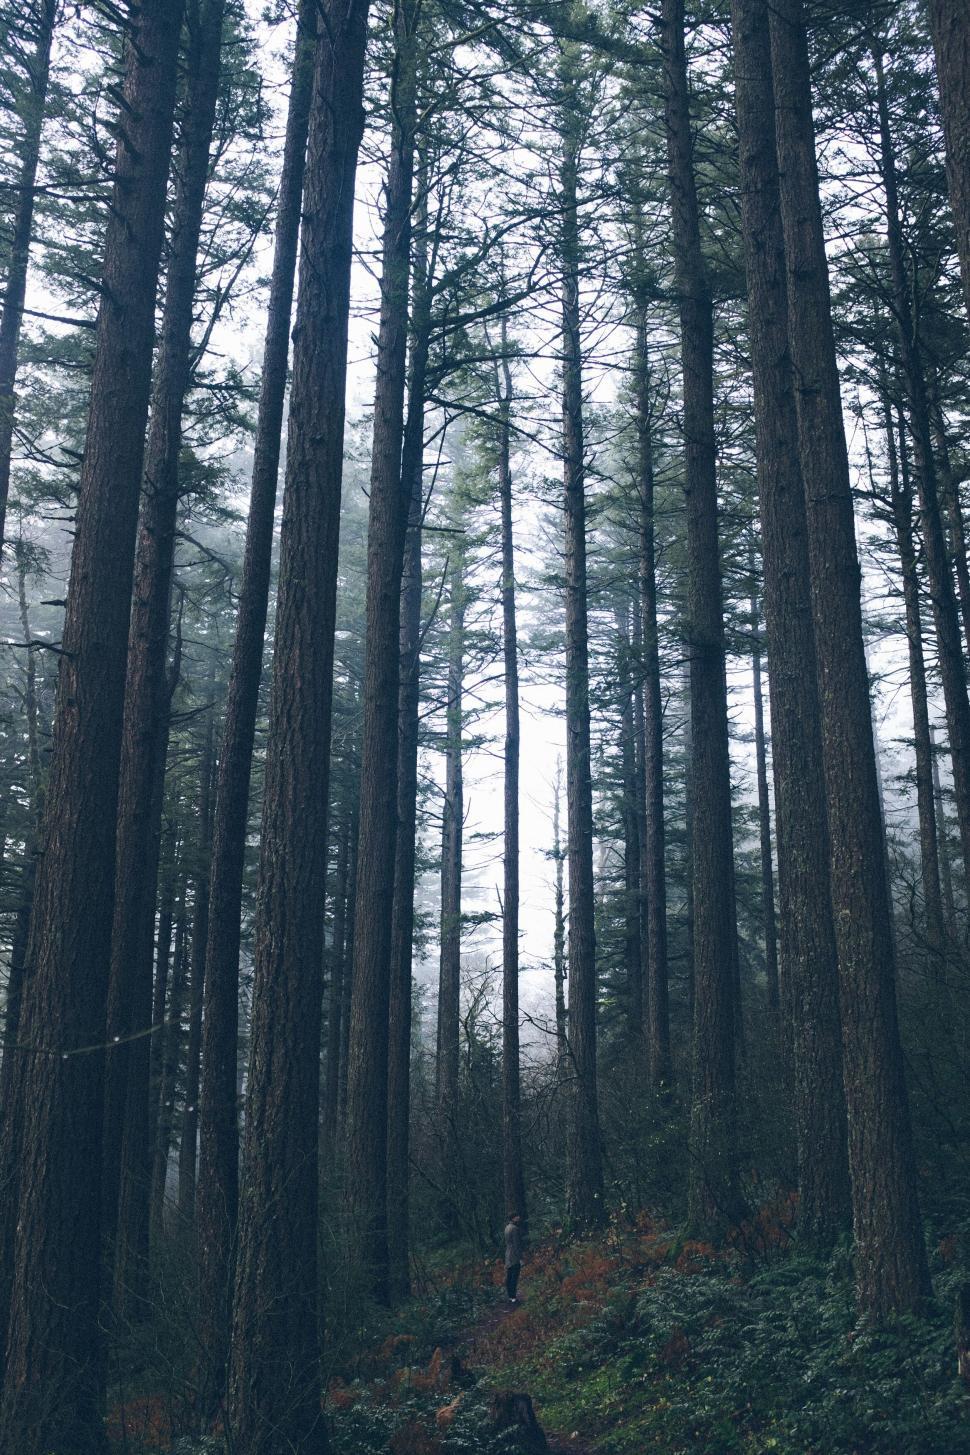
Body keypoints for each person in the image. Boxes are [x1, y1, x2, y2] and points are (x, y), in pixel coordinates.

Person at [504, 1213, 523, 1303]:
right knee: (514, 1276)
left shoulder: (507, 1227)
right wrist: (520, 1258)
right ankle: (513, 1297)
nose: (518, 1218)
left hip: (508, 1254)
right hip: (514, 1255)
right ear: (513, 1218)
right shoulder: (514, 1228)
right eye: (517, 1217)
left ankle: (510, 1296)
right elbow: (516, 1244)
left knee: (509, 1275)